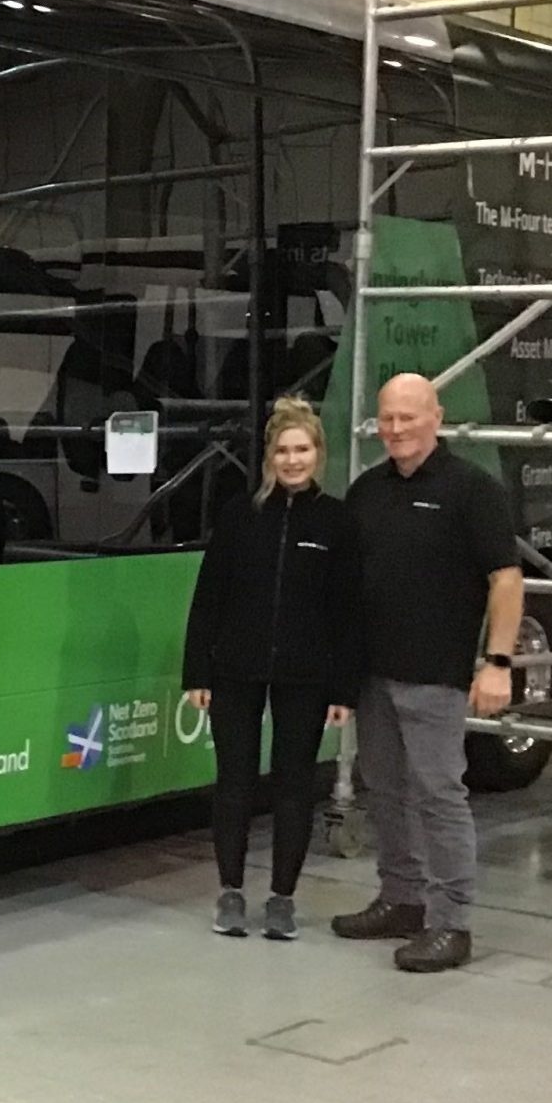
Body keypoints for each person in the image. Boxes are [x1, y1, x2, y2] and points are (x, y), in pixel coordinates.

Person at [332, 373, 523, 973]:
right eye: (386, 418)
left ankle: (451, 923)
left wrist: (498, 662)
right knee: (382, 787)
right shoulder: (366, 492)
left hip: (437, 676)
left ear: (435, 417)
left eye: (407, 418)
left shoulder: (473, 490)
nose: (395, 429)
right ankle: (402, 899)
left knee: (439, 794)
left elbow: (506, 580)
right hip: (373, 674)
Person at [183, 396, 360, 941]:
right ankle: (231, 892)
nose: (291, 460)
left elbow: (346, 609)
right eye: (282, 451)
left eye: (301, 449)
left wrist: (343, 687)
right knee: (234, 783)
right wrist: (197, 673)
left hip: (306, 676)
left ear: (317, 454)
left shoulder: (336, 521)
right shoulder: (240, 516)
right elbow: (208, 597)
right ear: (268, 457)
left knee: (292, 786)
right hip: (235, 668)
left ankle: (282, 898)